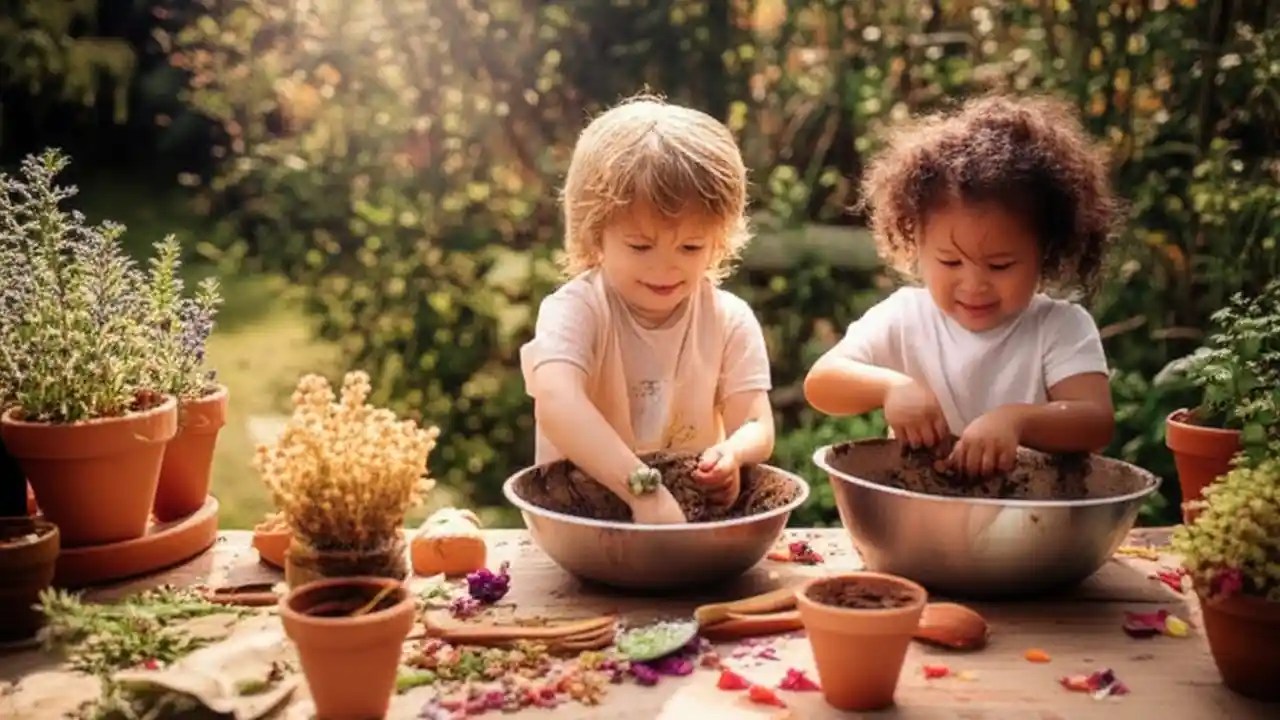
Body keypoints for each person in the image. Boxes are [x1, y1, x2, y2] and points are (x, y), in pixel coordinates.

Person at [804, 94, 1122, 476]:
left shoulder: (1059, 327)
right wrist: (891, 389)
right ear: (915, 243)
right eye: (950, 262)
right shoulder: (906, 316)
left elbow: (1095, 422)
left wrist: (1015, 421)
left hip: (1030, 521)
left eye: (1000, 265)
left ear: (1046, 251)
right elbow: (822, 383)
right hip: (921, 513)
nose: (974, 285)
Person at [519, 94, 774, 524]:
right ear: (594, 234)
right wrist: (643, 490)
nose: (665, 267)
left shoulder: (728, 319)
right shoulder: (577, 310)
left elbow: (756, 423)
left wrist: (731, 454)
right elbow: (556, 400)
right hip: (582, 525)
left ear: (719, 240)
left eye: (691, 247)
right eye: (640, 246)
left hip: (686, 525)